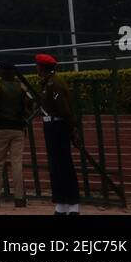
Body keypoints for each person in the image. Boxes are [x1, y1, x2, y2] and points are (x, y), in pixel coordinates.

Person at [36, 53, 80, 215]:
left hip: (58, 126)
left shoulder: (54, 84)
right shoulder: (48, 83)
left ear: (42, 68)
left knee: (64, 166)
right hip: (52, 125)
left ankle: (73, 204)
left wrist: (72, 127)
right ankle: (61, 203)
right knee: (56, 166)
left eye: (38, 66)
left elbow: (64, 109)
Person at [0, 62, 32, 208]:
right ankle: (20, 198)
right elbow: (30, 103)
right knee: (17, 163)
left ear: (1, 73)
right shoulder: (21, 87)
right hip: (18, 128)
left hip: (1, 128)